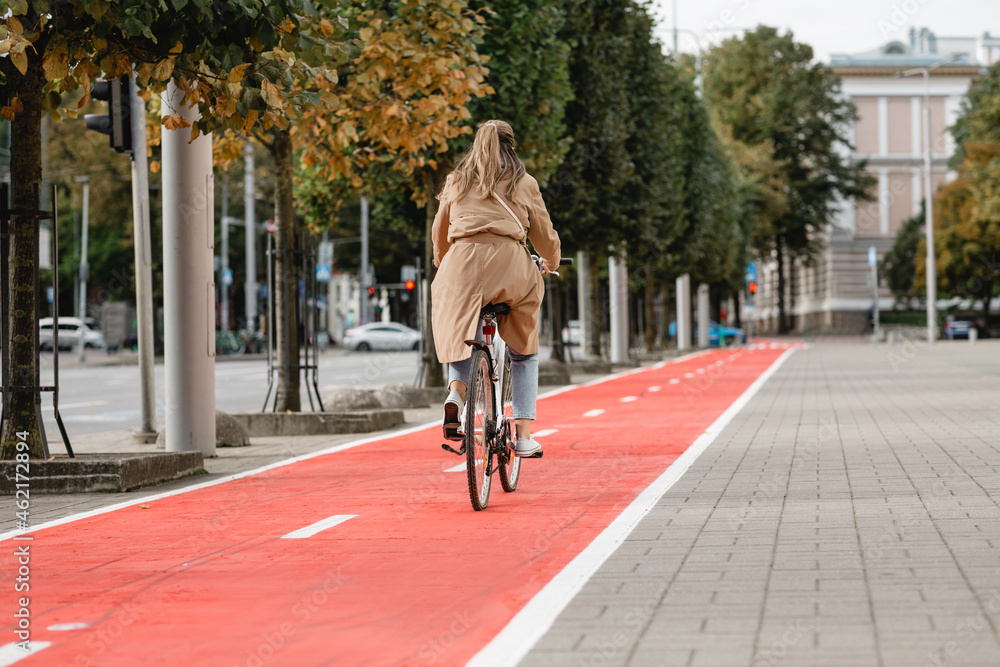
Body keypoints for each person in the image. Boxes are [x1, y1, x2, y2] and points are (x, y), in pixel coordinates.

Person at [431, 120, 561, 458]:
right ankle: (523, 436)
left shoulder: (456, 180)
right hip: (510, 267)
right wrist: (552, 261)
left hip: (461, 264)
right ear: (511, 146)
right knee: (524, 347)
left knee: (462, 328)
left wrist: (443, 260)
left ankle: (456, 394)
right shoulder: (524, 182)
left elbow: (440, 231)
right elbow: (544, 236)